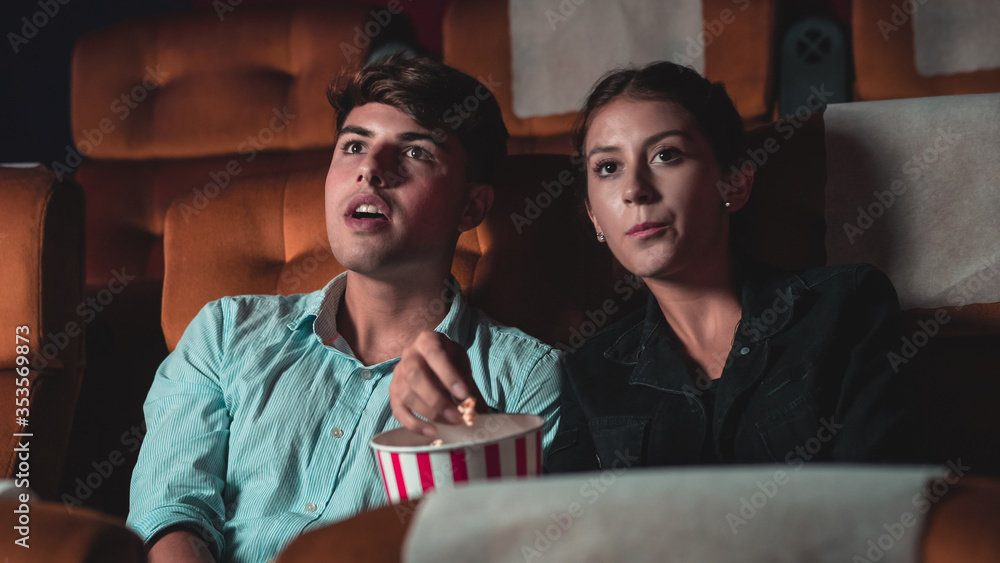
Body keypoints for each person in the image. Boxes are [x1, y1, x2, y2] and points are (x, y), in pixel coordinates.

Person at [127, 55, 562, 563]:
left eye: (416, 151)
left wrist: (471, 430)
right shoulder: (224, 332)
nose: (371, 169)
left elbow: (523, 544)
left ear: (472, 207)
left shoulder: (528, 378)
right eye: (354, 145)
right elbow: (169, 513)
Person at [392, 60, 919, 471]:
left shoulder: (844, 305)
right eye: (608, 168)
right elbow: (564, 530)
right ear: (594, 216)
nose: (635, 190)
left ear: (734, 183)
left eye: (666, 155)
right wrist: (470, 426)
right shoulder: (587, 372)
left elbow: (885, 498)